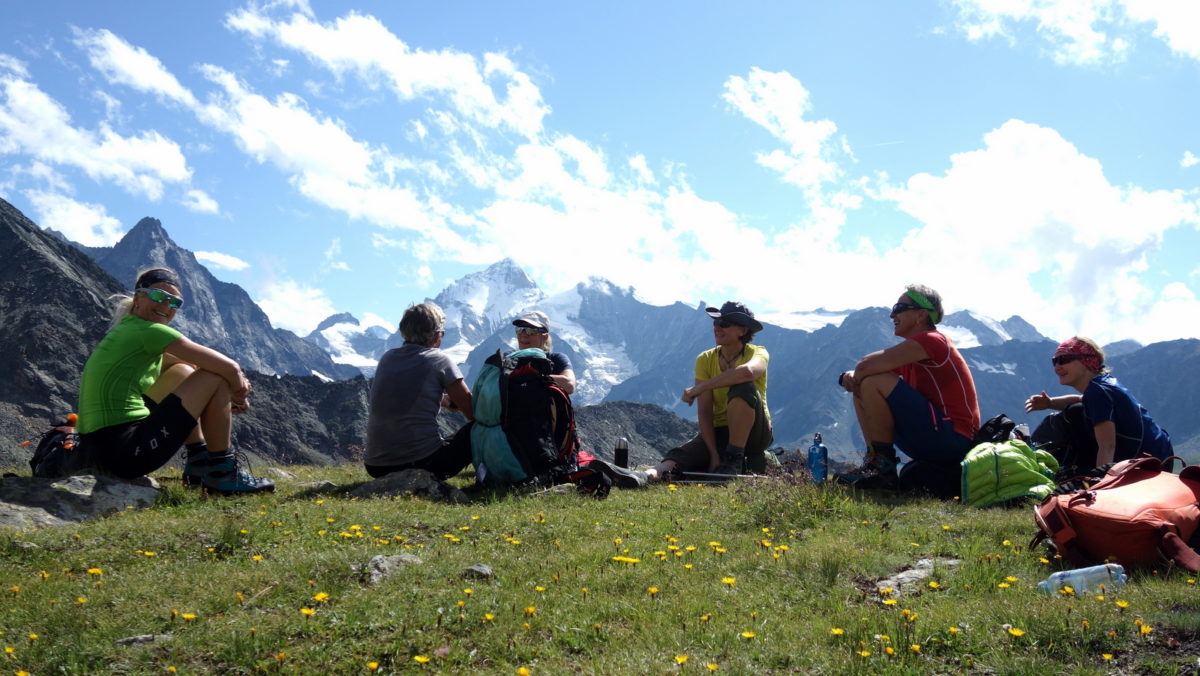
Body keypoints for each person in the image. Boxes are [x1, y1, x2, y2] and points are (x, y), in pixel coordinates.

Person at [76, 267, 274, 494]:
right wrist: (238, 395)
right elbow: (229, 368)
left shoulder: (128, 329)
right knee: (215, 376)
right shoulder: (150, 331)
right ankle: (223, 472)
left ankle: (199, 461)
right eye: (159, 296)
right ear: (138, 297)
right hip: (125, 453)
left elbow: (187, 366)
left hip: (96, 452)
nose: (165, 306)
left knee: (182, 371)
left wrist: (229, 390)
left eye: (174, 302)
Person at [836, 285, 980, 490]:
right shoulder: (916, 351)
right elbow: (866, 369)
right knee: (865, 384)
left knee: (873, 382)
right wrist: (852, 376)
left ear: (921, 314)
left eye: (899, 307)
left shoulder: (933, 340)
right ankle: (875, 464)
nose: (892, 314)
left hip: (955, 439)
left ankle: (881, 470)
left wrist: (854, 373)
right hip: (941, 437)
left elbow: (865, 367)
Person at [644, 301, 773, 480]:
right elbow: (705, 411)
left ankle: (732, 461)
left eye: (725, 324)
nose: (717, 328)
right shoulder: (704, 359)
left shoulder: (757, 353)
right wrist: (713, 454)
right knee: (682, 455)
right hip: (720, 431)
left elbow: (747, 372)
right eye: (716, 323)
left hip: (755, 432)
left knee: (744, 387)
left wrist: (699, 388)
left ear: (742, 331)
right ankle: (643, 477)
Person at [364, 302, 475, 480]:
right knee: (479, 429)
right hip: (423, 463)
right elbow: (472, 412)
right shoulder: (439, 359)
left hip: (376, 467)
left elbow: (401, 395)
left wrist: (443, 400)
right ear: (437, 335)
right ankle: (493, 476)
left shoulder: (387, 358)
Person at [1024, 336, 1171, 470]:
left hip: (1151, 463)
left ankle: (1032, 463)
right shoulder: (1101, 386)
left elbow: (1107, 446)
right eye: (1054, 361)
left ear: (1086, 361)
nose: (1057, 367)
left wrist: (1099, 485)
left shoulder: (1098, 392)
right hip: (1160, 452)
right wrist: (1050, 403)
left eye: (1064, 360)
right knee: (1075, 411)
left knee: (1072, 415)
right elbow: (1080, 400)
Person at [512, 311, 576, 394]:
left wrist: (533, 378)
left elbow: (570, 385)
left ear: (545, 336)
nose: (523, 335)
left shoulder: (556, 359)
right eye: (519, 330)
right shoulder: (509, 360)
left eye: (531, 331)